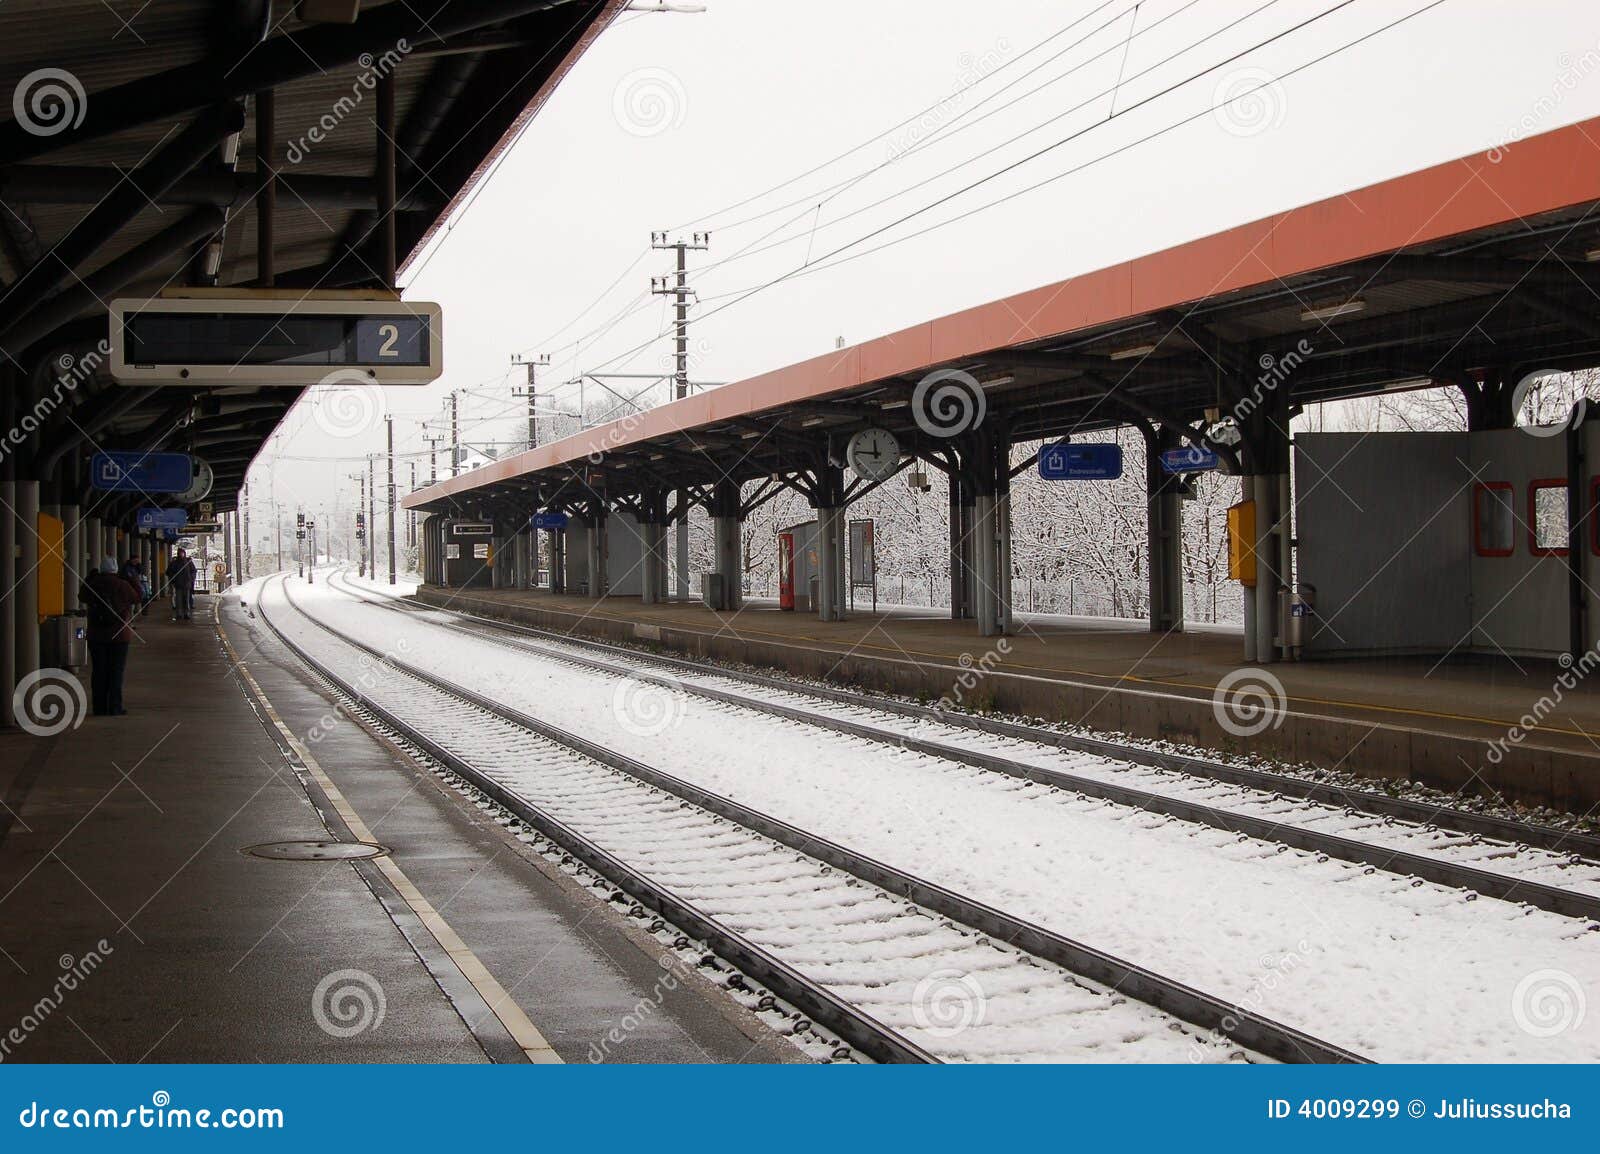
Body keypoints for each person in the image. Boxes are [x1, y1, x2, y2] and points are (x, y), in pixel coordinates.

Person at [80, 558, 140, 716]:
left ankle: (99, 707)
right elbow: (138, 597)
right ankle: (115, 707)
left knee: (99, 671)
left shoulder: (93, 584)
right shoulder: (123, 585)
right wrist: (131, 579)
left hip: (97, 636)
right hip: (119, 636)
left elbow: (81, 596)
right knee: (116, 671)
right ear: (115, 569)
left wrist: (89, 578)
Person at [168, 548, 197, 621]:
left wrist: (191, 578)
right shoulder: (174, 563)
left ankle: (186, 613)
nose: (181, 554)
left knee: (186, 599)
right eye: (180, 553)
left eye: (182, 553)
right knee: (178, 600)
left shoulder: (188, 562)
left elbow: (193, 571)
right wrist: (173, 579)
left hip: (186, 584)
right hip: (178, 584)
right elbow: (169, 572)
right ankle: (179, 614)